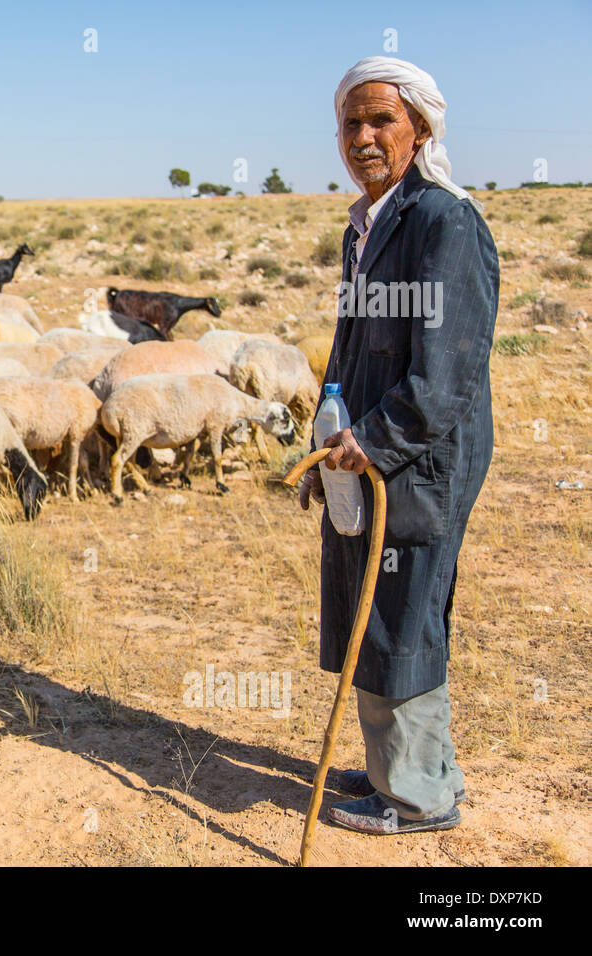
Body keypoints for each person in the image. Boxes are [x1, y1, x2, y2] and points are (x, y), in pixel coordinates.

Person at [298, 56, 498, 834]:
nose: (364, 136)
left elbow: (444, 380)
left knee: (402, 614)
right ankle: (408, 766)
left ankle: (415, 798)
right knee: (375, 609)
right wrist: (327, 433)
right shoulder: (369, 225)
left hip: (417, 459)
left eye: (382, 119)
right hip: (369, 454)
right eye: (352, 122)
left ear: (421, 126)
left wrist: (370, 442)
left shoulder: (445, 222)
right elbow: (353, 349)